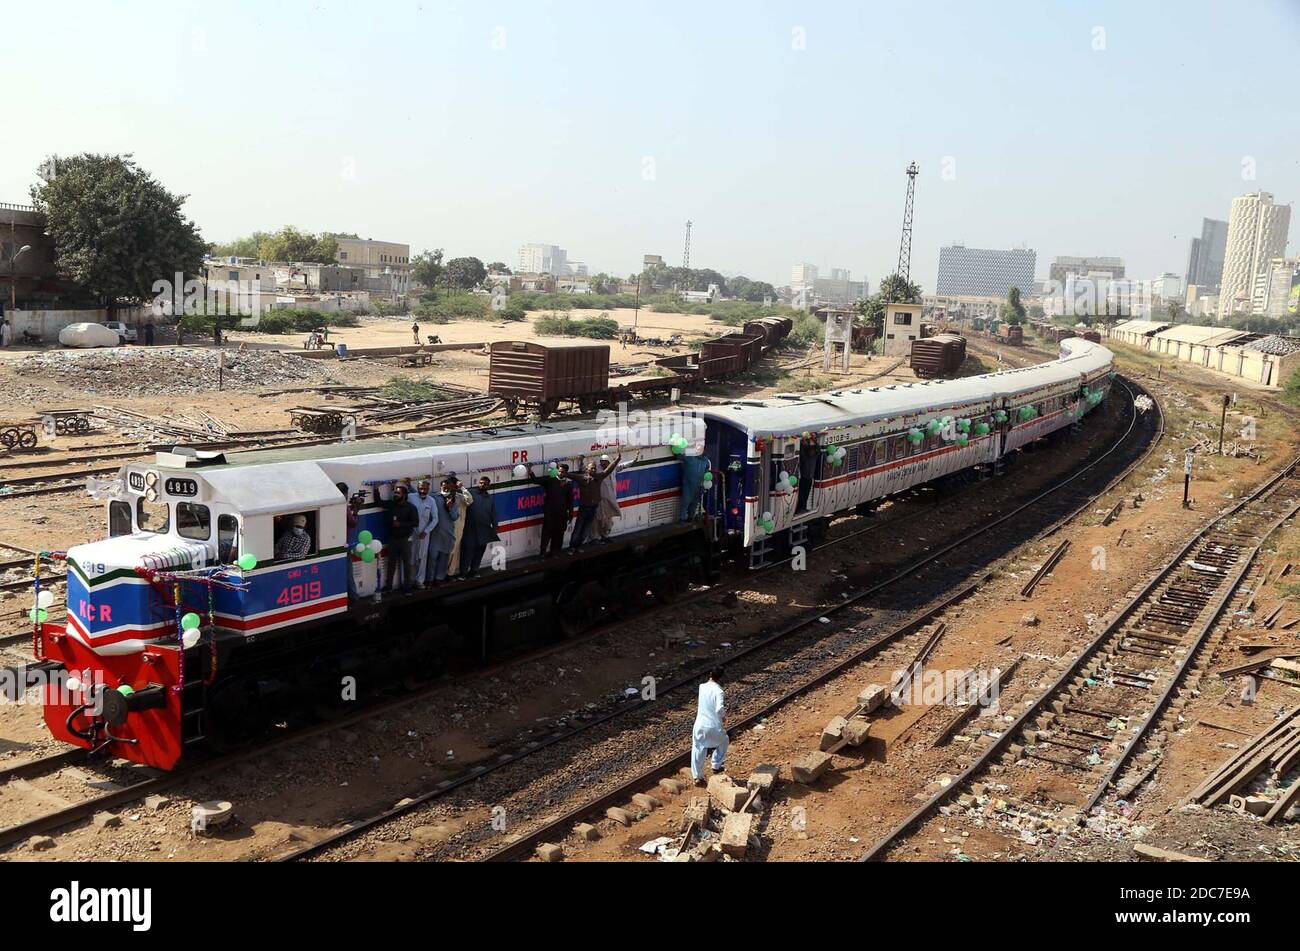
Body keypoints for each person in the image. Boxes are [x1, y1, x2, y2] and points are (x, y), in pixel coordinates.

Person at [570, 453, 621, 551]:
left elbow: (609, 470)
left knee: (588, 529)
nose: (593, 470)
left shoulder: (599, 477)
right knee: (579, 528)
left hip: (596, 505)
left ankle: (583, 544)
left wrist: (617, 460)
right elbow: (571, 475)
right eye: (591, 469)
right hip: (585, 507)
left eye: (594, 468)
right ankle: (573, 547)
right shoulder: (583, 478)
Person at [690, 668, 728, 786]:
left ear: (710, 674)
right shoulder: (719, 691)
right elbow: (719, 708)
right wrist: (723, 716)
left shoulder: (702, 687)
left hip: (700, 725)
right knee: (724, 740)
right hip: (713, 727)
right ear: (721, 678)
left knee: (698, 748)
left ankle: (697, 777)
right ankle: (716, 765)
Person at [527, 462, 572, 558]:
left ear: (566, 473)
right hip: (550, 513)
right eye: (559, 471)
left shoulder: (568, 484)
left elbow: (570, 501)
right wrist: (530, 470)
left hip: (562, 514)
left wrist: (570, 514)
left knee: (559, 535)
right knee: (546, 533)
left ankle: (555, 552)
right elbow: (535, 480)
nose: (560, 473)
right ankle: (542, 553)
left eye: (563, 472)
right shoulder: (550, 480)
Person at [460, 476, 499, 578]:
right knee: (468, 551)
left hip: (484, 529)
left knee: (480, 551)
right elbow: (461, 491)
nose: (482, 485)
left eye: (485, 483)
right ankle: (463, 573)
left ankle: (474, 570)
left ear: (488, 485)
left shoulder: (490, 498)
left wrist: (494, 528)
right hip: (470, 529)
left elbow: (493, 514)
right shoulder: (471, 492)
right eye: (481, 483)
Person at [384, 485, 418, 594]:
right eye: (395, 493)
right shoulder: (392, 505)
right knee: (391, 564)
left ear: (404, 495)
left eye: (398, 493)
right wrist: (376, 489)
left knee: (407, 564)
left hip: (405, 539)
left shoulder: (411, 507)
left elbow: (415, 523)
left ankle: (407, 587)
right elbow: (379, 502)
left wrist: (401, 524)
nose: (395, 495)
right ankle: (389, 586)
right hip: (393, 539)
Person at [427, 478, 460, 582]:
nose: (445, 488)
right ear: (440, 486)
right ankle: (429, 580)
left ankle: (439, 579)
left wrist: (450, 507)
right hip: (435, 534)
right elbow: (420, 494)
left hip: (448, 534)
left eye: (448, 486)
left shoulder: (454, 500)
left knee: (443, 559)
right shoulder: (434, 497)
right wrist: (409, 486)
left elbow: (455, 517)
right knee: (432, 557)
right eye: (444, 486)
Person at [410, 479, 439, 586]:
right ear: (417, 488)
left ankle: (419, 581)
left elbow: (435, 519)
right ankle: (409, 581)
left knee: (422, 558)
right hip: (411, 533)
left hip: (424, 534)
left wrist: (426, 531)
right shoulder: (411, 497)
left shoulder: (431, 501)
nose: (423, 490)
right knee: (411, 557)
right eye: (421, 488)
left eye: (425, 489)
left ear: (428, 489)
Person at [447, 473, 473, 576]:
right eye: (450, 485)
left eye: (454, 485)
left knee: (455, 550)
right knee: (446, 551)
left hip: (458, 527)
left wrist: (462, 487)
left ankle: (450, 573)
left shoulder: (460, 497)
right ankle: (441, 574)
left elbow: (470, 500)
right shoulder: (443, 496)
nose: (451, 487)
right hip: (446, 527)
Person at [338, 482, 359, 600]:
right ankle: (353, 596)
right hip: (344, 544)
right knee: (348, 573)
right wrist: (356, 511)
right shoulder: (343, 507)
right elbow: (353, 523)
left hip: (334, 544)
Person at [595, 454, 621, 543]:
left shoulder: (612, 468)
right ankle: (601, 537)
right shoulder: (598, 470)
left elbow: (622, 466)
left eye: (604, 461)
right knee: (600, 519)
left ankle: (605, 535)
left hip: (611, 499)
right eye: (601, 461)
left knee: (609, 521)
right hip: (601, 500)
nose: (602, 463)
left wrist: (635, 460)